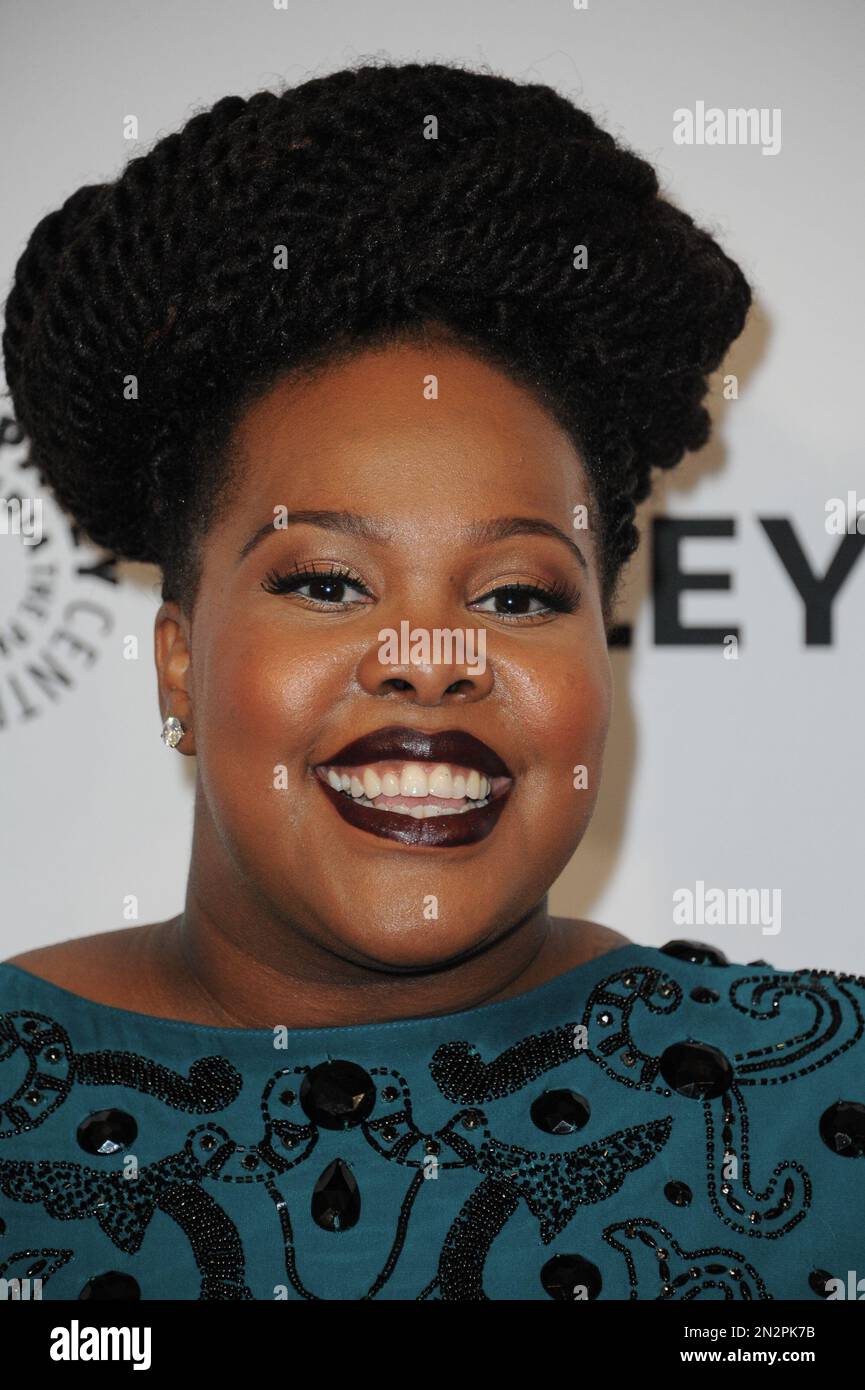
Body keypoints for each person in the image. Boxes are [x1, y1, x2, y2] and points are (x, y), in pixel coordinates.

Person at [1, 61, 861, 1302]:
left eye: (516, 596)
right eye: (330, 582)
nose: (431, 657)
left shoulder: (824, 1119)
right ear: (179, 661)